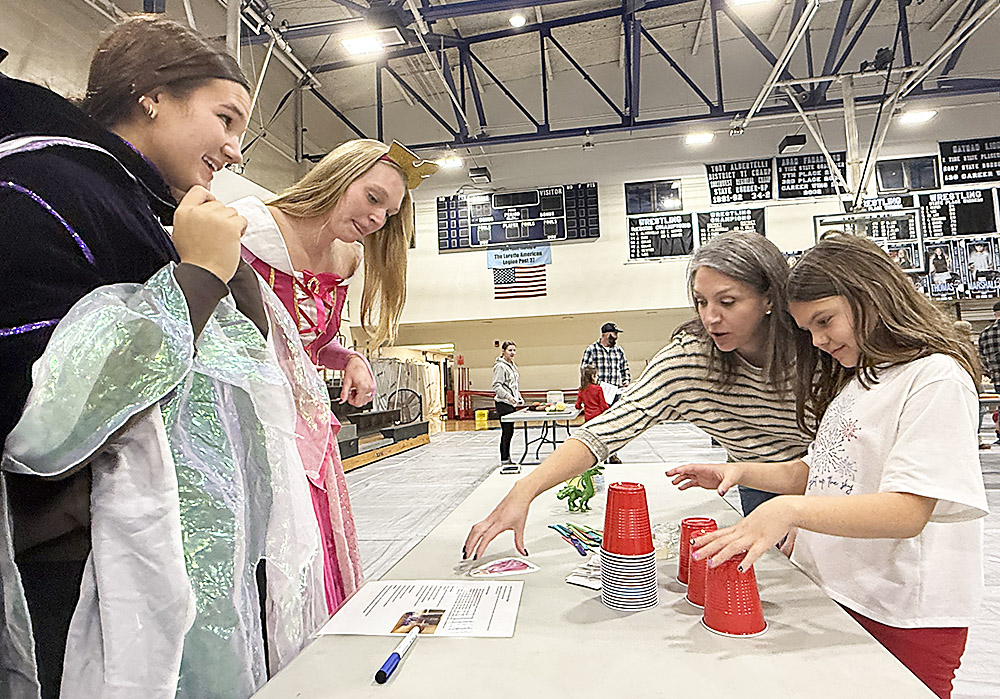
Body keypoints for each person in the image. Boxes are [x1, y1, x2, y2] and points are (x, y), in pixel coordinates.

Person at [0, 17, 326, 698]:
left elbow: (238, 378)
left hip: (182, 569)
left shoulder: (149, 208)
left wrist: (223, 273)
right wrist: (201, 274)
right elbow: (42, 424)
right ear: (150, 95)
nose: (236, 150)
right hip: (84, 575)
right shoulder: (46, 187)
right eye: (225, 117)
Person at [668, 234, 987, 699]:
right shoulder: (863, 379)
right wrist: (743, 471)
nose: (818, 341)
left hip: (902, 611)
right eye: (808, 329)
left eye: (825, 321)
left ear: (871, 296)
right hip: (837, 591)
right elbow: (820, 471)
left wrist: (788, 511)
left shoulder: (935, 378)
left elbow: (908, 512)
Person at [464, 231, 811, 559]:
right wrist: (524, 490)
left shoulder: (813, 348)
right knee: (783, 573)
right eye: (701, 302)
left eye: (728, 301)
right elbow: (605, 431)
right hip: (755, 480)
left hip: (831, 480)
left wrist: (810, 504)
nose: (711, 317)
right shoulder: (691, 361)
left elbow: (849, 447)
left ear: (769, 297)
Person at [230, 139, 437, 612]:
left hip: (307, 431)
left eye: (388, 212)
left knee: (312, 555)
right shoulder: (248, 229)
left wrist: (351, 360)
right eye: (373, 198)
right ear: (339, 177)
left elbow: (312, 344)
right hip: (246, 425)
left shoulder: (346, 258)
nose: (377, 219)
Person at [580, 322, 630, 404]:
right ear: (605, 334)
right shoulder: (592, 349)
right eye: (614, 333)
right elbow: (584, 370)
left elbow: (624, 367)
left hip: (615, 392)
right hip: (598, 392)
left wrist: (626, 380)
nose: (616, 337)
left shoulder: (618, 350)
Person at [493, 341, 523, 465]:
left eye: (514, 350)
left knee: (510, 432)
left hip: (511, 403)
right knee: (506, 431)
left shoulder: (513, 365)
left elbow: (513, 385)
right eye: (510, 350)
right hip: (503, 403)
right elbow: (497, 386)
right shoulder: (500, 366)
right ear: (503, 351)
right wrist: (508, 397)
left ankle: (507, 458)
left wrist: (518, 397)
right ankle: (505, 459)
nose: (512, 353)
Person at [978, 301, 1000, 393]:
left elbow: (982, 359)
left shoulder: (985, 333)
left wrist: (992, 370)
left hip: (998, 379)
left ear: (995, 314)